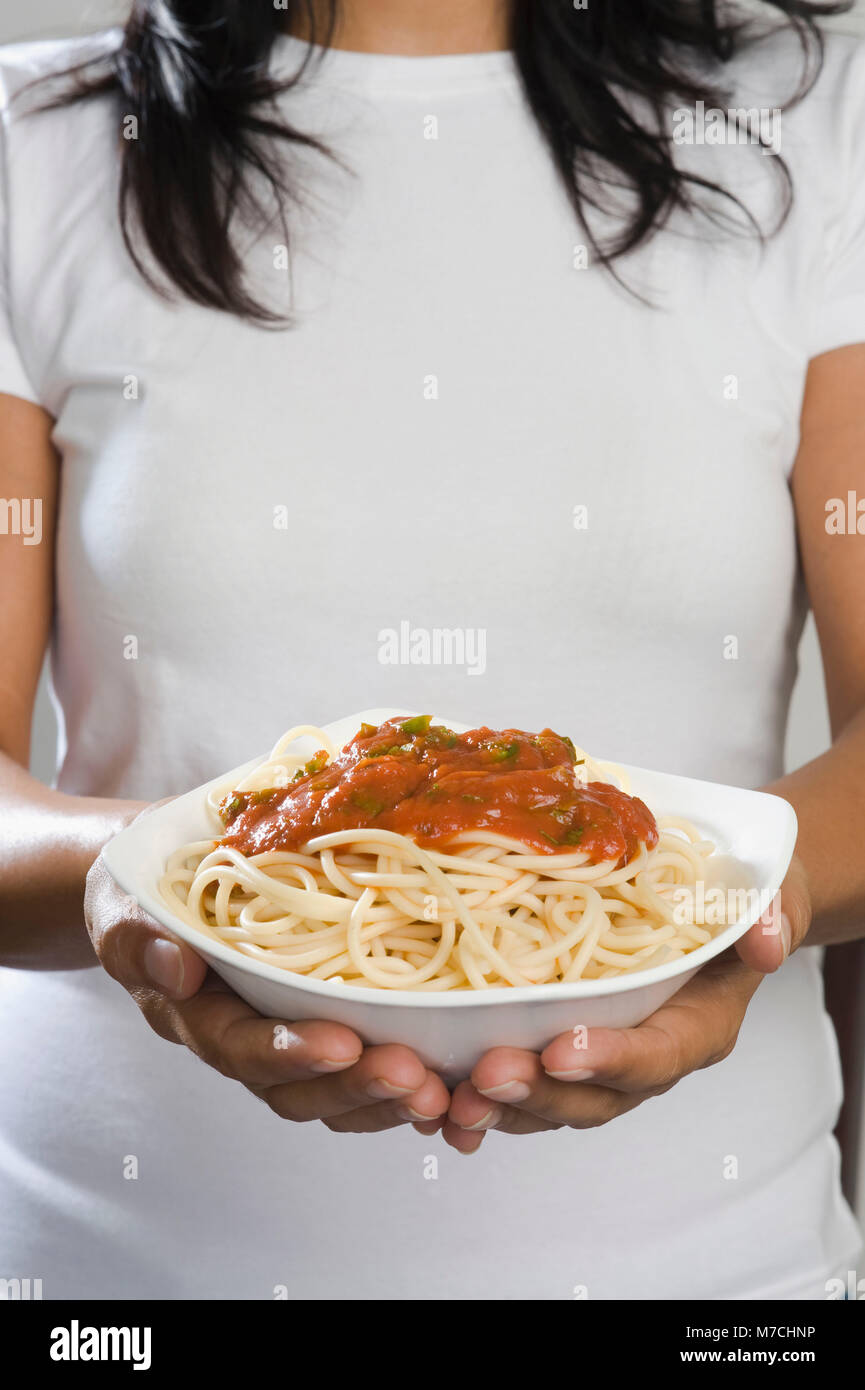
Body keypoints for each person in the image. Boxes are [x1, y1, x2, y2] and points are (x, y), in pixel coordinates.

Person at [1, 0, 864, 1300]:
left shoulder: (812, 111)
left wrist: (754, 899)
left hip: (715, 1281)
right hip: (113, 1281)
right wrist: (145, 888)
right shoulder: (34, 140)